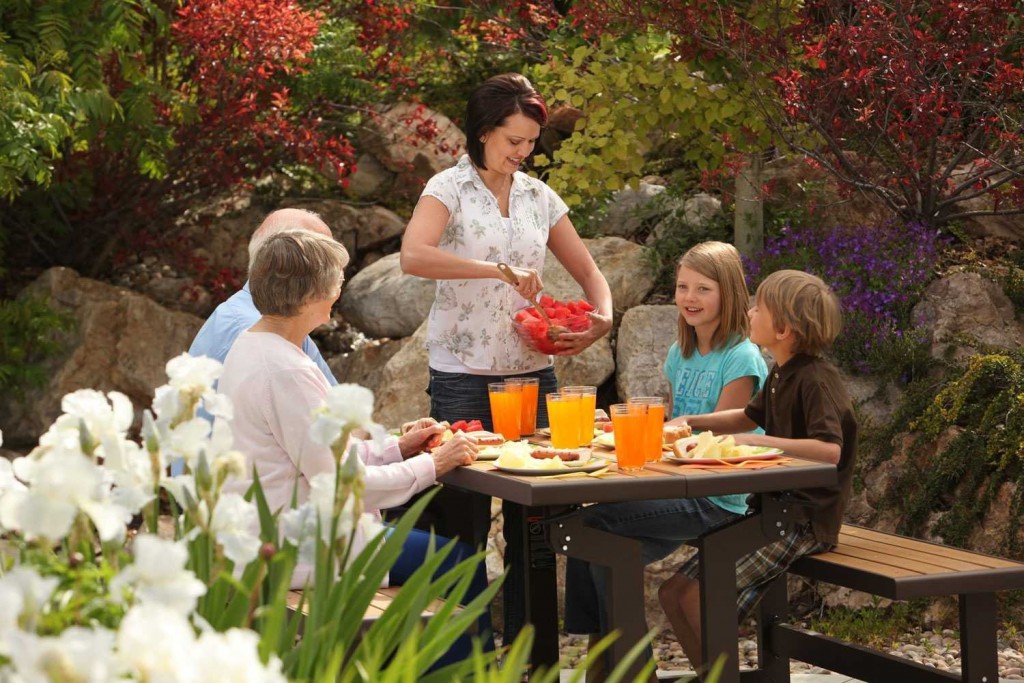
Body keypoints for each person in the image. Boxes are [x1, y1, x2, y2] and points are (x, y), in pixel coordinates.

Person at [399, 72, 614, 642]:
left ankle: (530, 657)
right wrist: (494, 269)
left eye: (530, 143)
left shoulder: (538, 196)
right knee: (463, 528)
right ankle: (468, 661)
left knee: (536, 525)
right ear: (483, 132)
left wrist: (604, 317)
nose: (524, 153)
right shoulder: (447, 188)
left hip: (532, 376)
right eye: (514, 141)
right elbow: (414, 257)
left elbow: (590, 272)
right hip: (462, 378)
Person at [218, 230, 493, 665]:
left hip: (278, 530)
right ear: (311, 293)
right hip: (301, 545)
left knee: (441, 552)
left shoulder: (253, 348)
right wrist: (434, 464)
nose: (339, 291)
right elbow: (343, 485)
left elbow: (316, 457)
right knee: (460, 564)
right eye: (337, 281)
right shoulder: (286, 369)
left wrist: (398, 449)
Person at [562, 242, 768, 673]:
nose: (689, 298)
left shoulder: (741, 357)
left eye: (703, 289)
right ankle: (613, 666)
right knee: (594, 541)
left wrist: (663, 429)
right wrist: (620, 430)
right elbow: (675, 428)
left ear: (728, 294)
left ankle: (625, 670)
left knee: (593, 528)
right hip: (682, 484)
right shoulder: (681, 354)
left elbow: (723, 432)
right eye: (682, 287)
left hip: (724, 495)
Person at [659, 269, 857, 678]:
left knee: (695, 595)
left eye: (759, 308)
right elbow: (747, 417)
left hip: (802, 521)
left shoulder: (816, 380)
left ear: (783, 328)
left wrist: (761, 443)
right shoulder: (781, 373)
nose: (749, 312)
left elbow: (829, 451)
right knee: (673, 592)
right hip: (772, 513)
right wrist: (690, 420)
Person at [189, 207, 337, 384]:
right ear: (284, 261)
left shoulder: (276, 319)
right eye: (327, 260)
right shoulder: (262, 333)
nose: (336, 273)